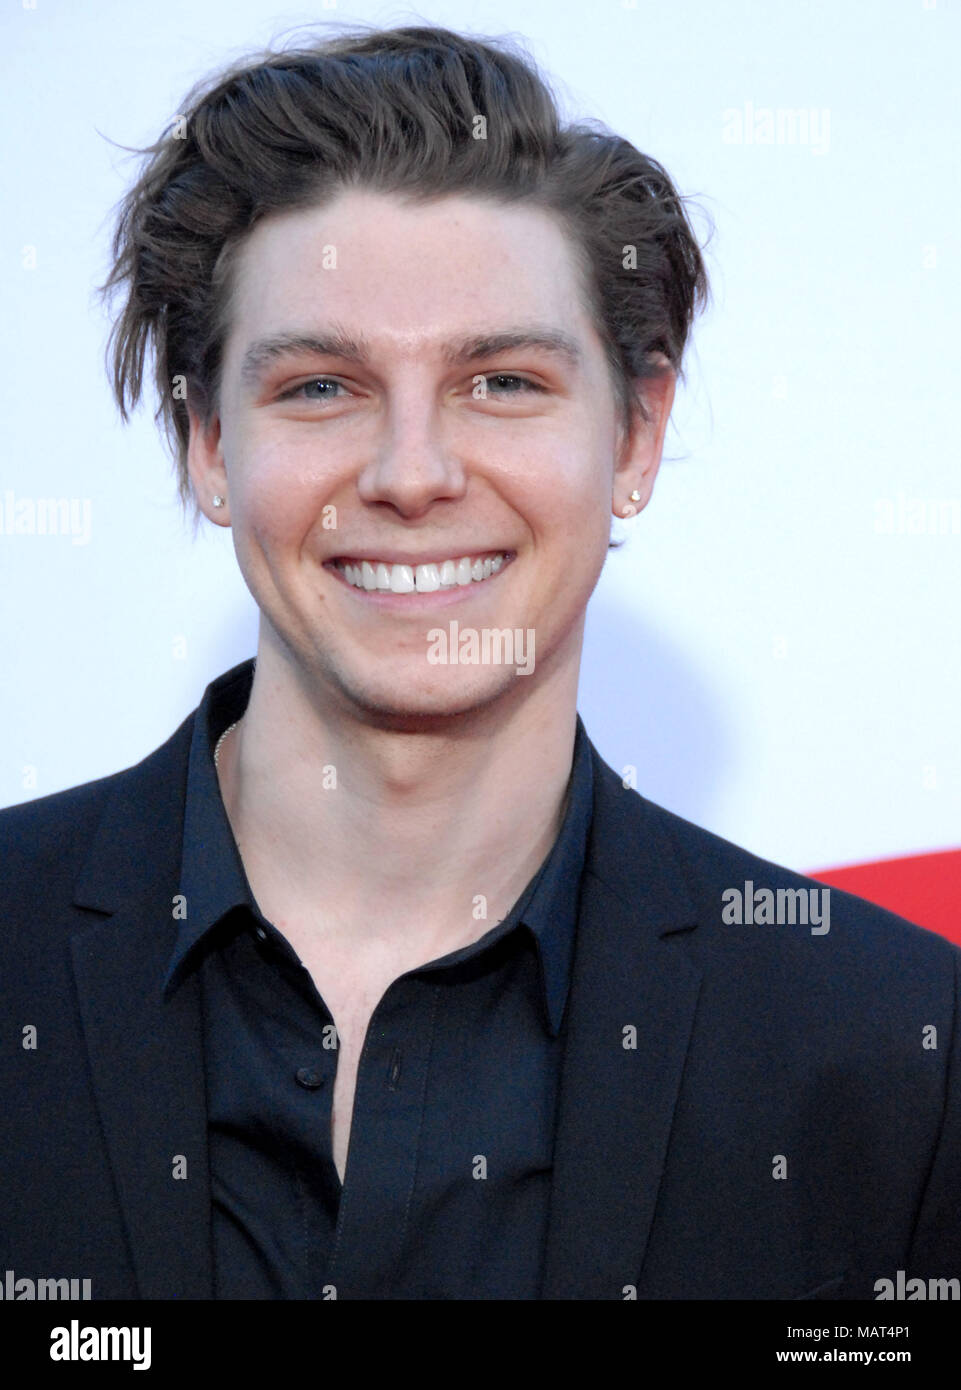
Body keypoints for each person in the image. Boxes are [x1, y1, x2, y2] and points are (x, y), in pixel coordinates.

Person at [2, 23, 959, 1302]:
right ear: (207, 444)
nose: (410, 474)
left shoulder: (893, 1056)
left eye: (501, 382)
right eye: (320, 387)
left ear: (635, 437)